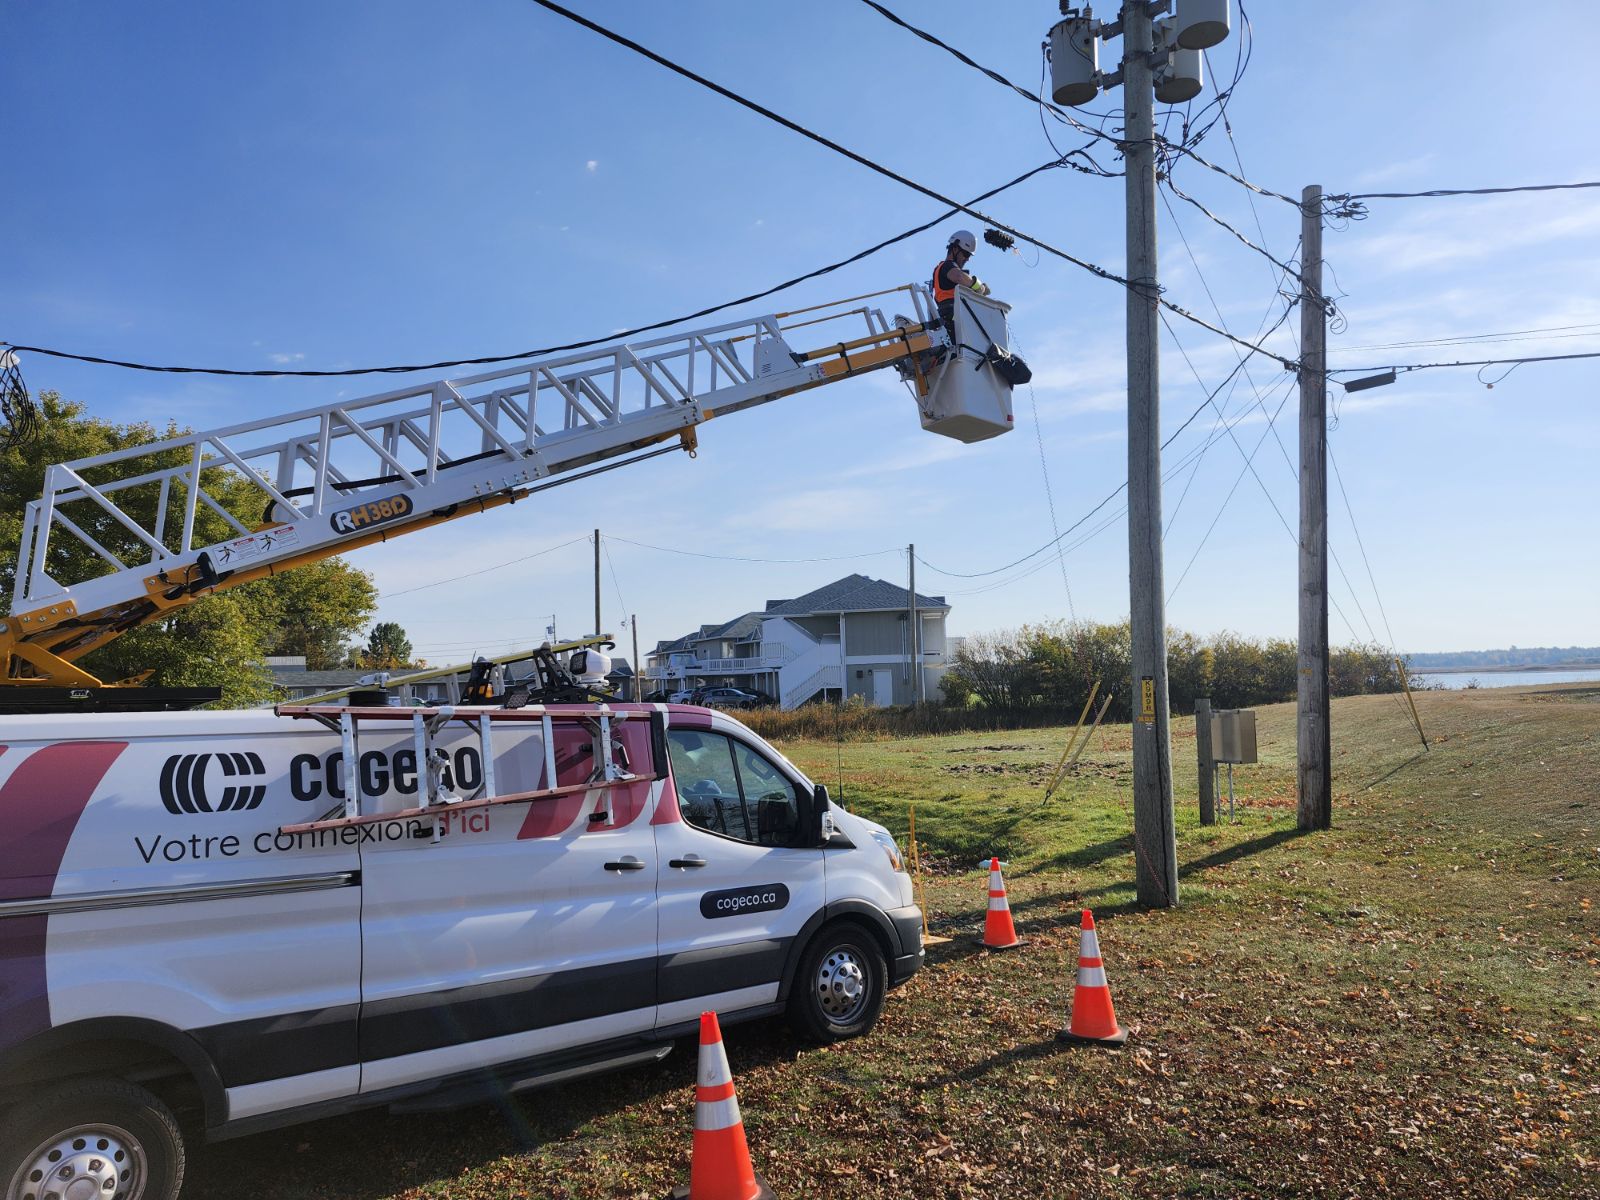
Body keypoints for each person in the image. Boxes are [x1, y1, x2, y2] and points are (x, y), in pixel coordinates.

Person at [932, 229, 991, 341]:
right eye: (966, 254)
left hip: (951, 317)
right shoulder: (947, 266)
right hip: (953, 315)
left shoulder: (942, 268)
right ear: (954, 249)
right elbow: (959, 277)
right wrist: (979, 287)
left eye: (969, 256)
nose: (967, 259)